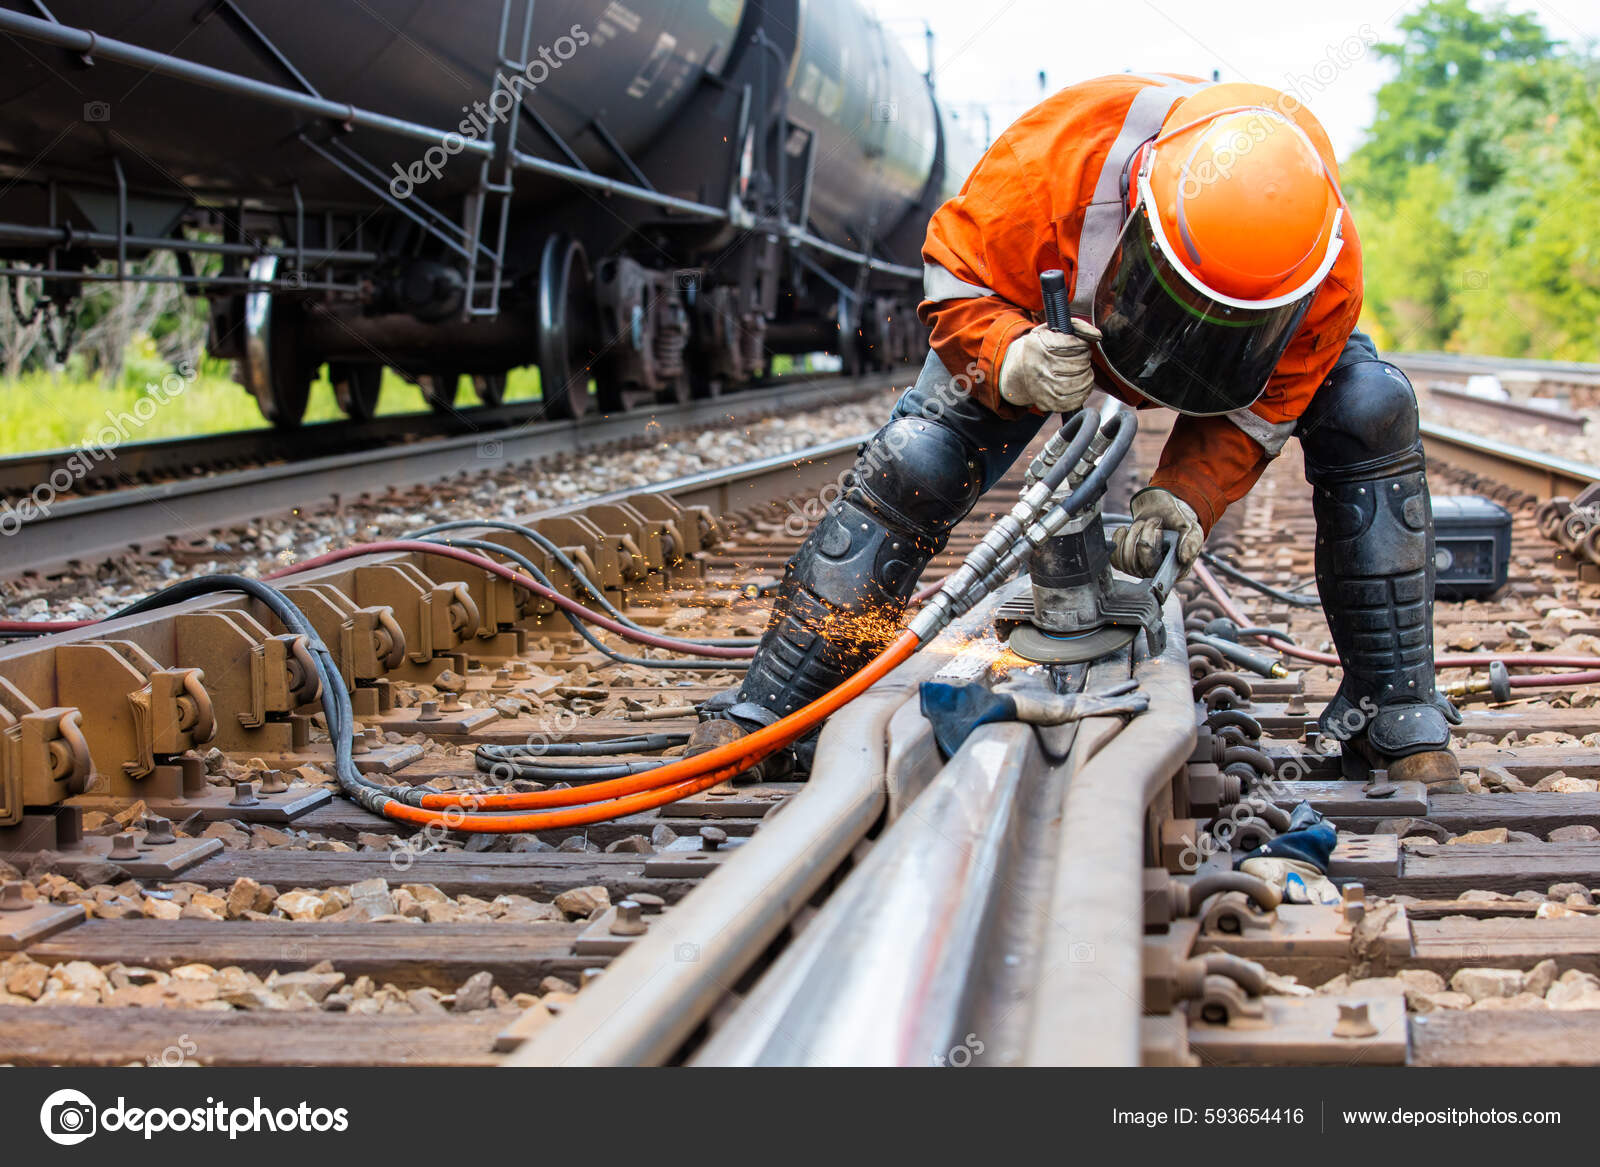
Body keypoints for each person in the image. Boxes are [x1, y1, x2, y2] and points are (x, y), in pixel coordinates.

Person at [710, 73, 1458, 785]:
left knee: (1370, 406)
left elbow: (1270, 402)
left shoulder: (1323, 263)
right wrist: (1009, 356)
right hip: (1050, 329)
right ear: (1140, 208)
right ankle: (777, 708)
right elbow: (955, 273)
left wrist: (1188, 493)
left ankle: (1395, 711)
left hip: (1213, 355)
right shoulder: (1055, 159)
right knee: (918, 458)